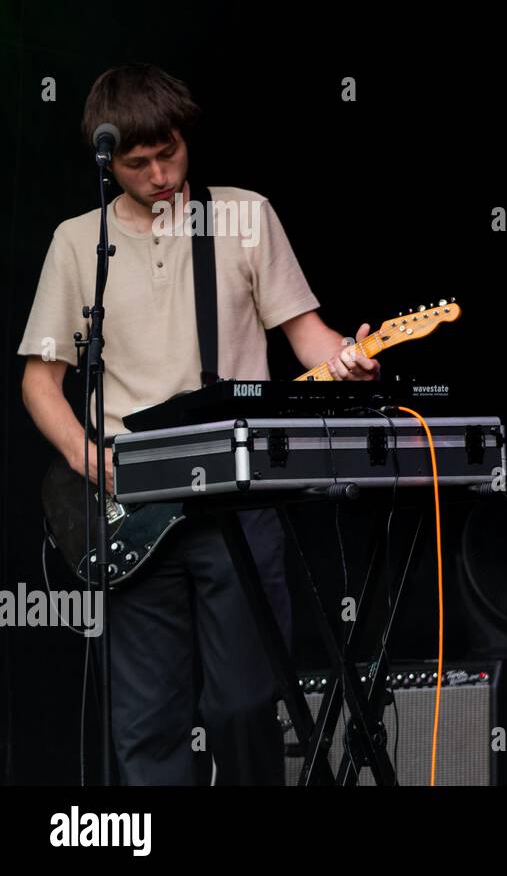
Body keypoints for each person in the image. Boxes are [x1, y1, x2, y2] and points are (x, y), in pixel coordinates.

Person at [18, 63, 379, 784]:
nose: (158, 174)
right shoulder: (75, 241)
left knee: (245, 704)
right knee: (146, 725)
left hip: (237, 499)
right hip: (133, 500)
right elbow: (39, 381)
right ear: (107, 160)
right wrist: (93, 460)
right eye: (137, 162)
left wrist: (349, 356)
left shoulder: (245, 214)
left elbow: (305, 333)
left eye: (170, 153)